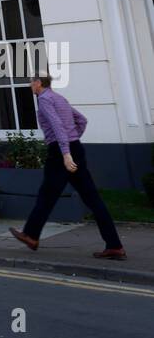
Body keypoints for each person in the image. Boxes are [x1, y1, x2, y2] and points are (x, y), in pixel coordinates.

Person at [9, 74, 126, 259]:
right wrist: (73, 140)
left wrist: (65, 152)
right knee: (92, 198)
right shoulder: (60, 98)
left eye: (31, 82)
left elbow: (57, 126)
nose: (30, 86)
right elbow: (82, 120)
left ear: (39, 83)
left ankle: (31, 235)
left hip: (60, 153)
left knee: (46, 195)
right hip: (75, 148)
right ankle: (115, 245)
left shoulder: (44, 99)